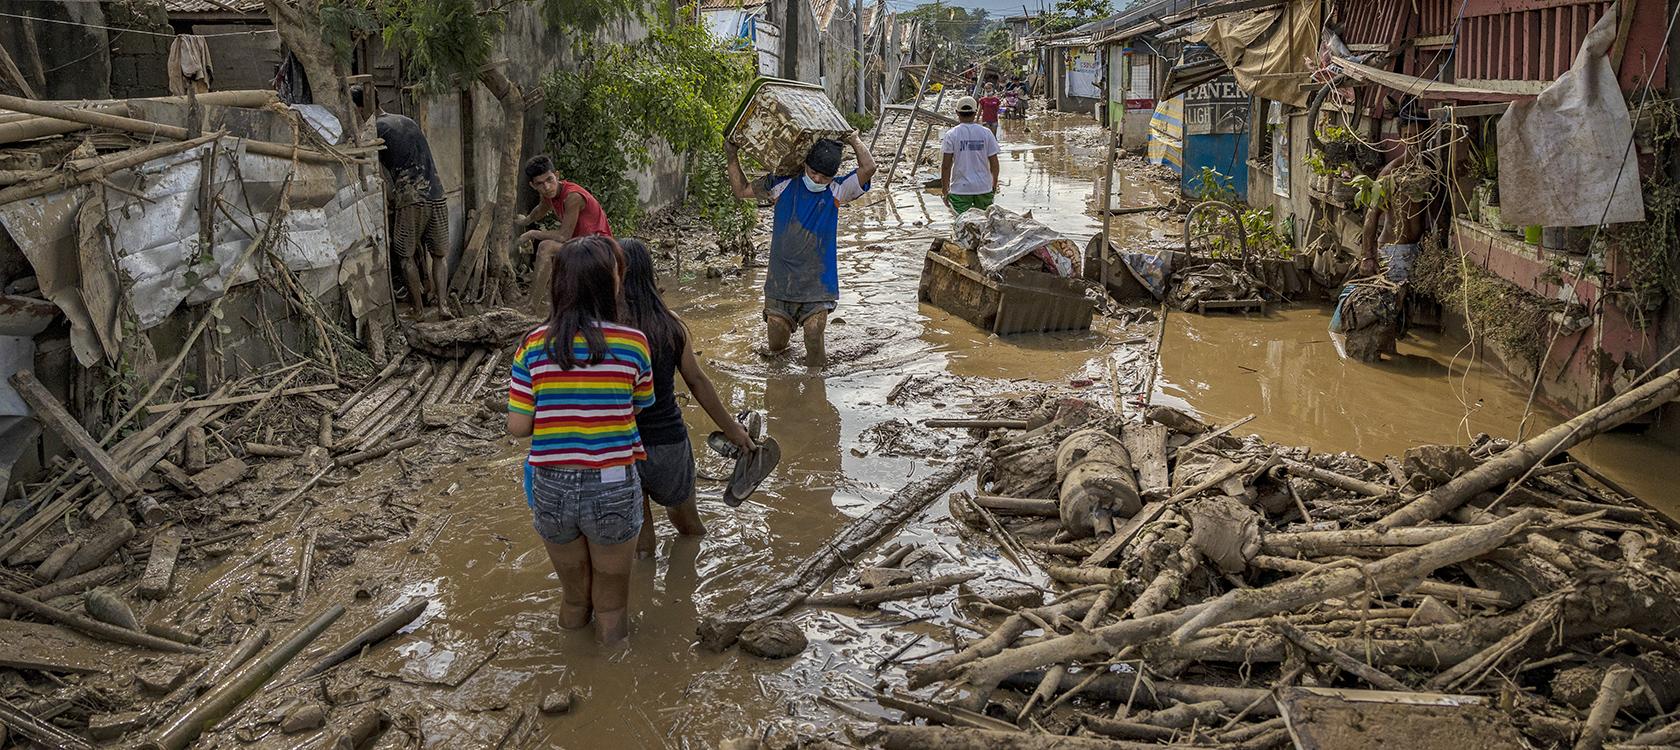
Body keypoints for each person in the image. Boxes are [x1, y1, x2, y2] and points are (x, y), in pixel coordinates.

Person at [506, 235, 650, 647]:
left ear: (560, 284)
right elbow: (634, 411)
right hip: (612, 484)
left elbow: (518, 427)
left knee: (573, 601)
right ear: (612, 283)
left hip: (551, 485)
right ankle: (609, 690)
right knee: (612, 607)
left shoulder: (533, 346)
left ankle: (569, 676)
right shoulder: (633, 344)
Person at [617, 238, 754, 558]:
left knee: (641, 543)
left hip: (622, 448)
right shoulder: (671, 326)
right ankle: (687, 593)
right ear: (651, 275)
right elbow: (697, 381)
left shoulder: (608, 330)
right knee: (690, 528)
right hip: (669, 446)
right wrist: (733, 429)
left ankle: (647, 603)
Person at [724, 133, 876, 368]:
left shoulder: (838, 190)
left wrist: (853, 139)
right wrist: (731, 154)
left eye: (824, 177)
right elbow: (741, 190)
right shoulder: (781, 184)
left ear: (832, 177)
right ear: (804, 164)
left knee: (814, 338)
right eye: (813, 172)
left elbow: (869, 167)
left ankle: (815, 390)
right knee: (776, 347)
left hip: (818, 284)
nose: (816, 179)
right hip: (780, 283)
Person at [352, 84, 451, 319]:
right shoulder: (405, 120)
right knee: (438, 254)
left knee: (404, 255)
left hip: (411, 197)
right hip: (436, 192)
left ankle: (417, 310)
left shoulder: (373, 130)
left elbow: (370, 169)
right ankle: (443, 306)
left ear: (357, 107)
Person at [517, 155, 613, 302]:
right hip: (581, 245)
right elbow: (541, 209)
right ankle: (544, 302)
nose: (547, 187)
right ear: (533, 185)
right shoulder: (549, 193)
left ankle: (531, 306)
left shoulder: (572, 197)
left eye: (550, 180)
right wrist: (526, 220)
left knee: (546, 247)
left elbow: (563, 236)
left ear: (557, 175)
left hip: (599, 248)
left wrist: (532, 233)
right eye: (540, 184)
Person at [941, 96, 1002, 216]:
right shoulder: (986, 133)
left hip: (960, 190)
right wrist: (994, 183)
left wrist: (945, 190)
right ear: (975, 113)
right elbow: (994, 163)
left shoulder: (951, 135)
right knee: (985, 224)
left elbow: (946, 166)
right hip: (984, 188)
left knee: (962, 225)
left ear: (957, 113)